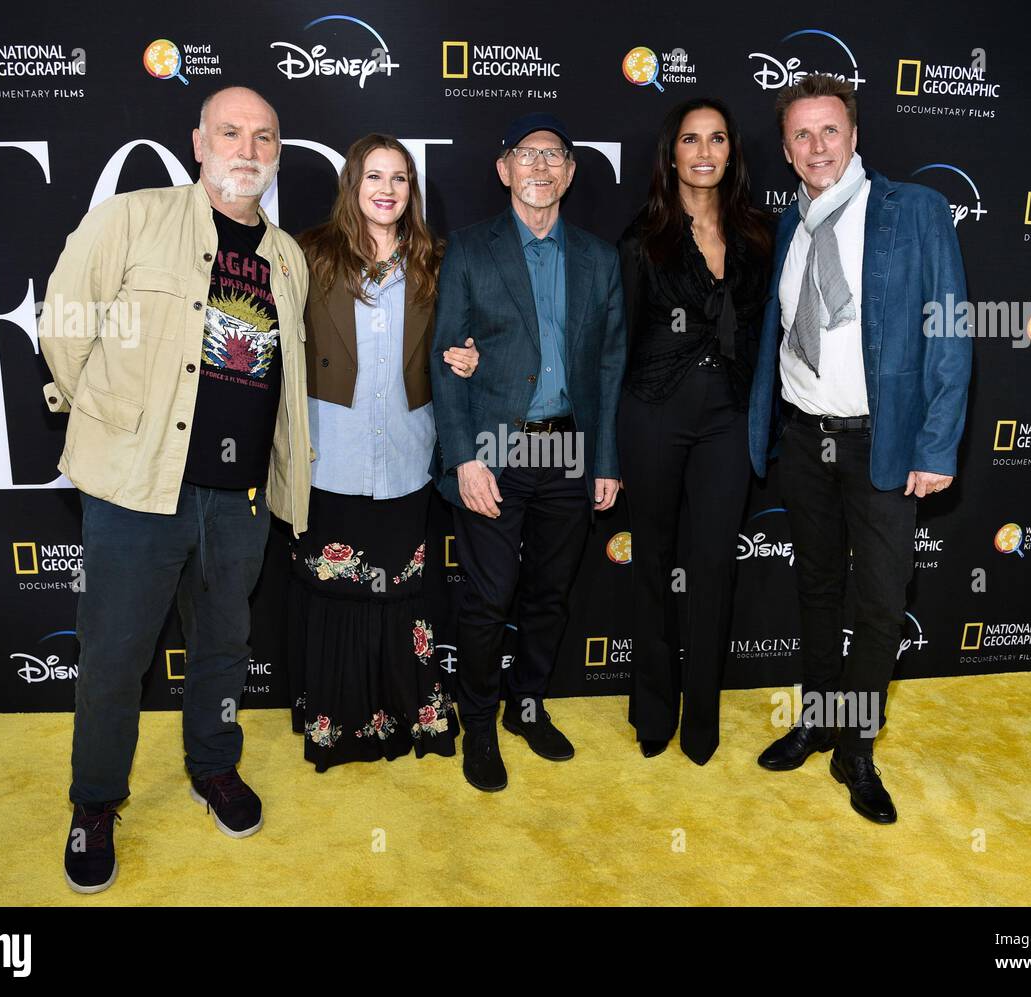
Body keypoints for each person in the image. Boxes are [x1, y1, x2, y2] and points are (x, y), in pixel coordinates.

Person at [39, 86, 310, 893]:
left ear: (277, 153)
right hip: (136, 492)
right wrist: (114, 422)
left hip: (240, 500)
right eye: (231, 132)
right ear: (199, 141)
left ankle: (214, 768)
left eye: (263, 137)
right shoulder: (133, 219)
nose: (247, 148)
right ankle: (95, 802)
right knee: (116, 657)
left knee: (224, 649)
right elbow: (65, 326)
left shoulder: (286, 257)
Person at [748, 75, 971, 823]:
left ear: (853, 136)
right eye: (802, 135)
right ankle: (816, 718)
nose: (817, 147)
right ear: (786, 149)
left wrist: (936, 443)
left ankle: (855, 746)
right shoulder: (790, 224)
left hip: (883, 443)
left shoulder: (914, 212)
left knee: (878, 604)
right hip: (806, 440)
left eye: (829, 131)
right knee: (814, 590)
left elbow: (947, 330)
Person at [430, 112, 627, 792]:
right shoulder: (469, 249)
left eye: (554, 157)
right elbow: (444, 357)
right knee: (487, 600)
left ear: (571, 172)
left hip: (570, 449)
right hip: (494, 444)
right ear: (504, 169)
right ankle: (479, 722)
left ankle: (529, 705)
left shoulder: (600, 259)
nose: (540, 167)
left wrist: (606, 459)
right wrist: (465, 456)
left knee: (549, 594)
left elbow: (610, 366)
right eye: (527, 155)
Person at [289, 134, 480, 770]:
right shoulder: (310, 255)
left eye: (400, 178)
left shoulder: (436, 260)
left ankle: (407, 713)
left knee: (402, 593)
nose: (388, 189)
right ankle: (337, 723)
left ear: (411, 191)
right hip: (331, 457)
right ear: (353, 185)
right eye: (375, 176)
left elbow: (463, 341)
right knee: (336, 593)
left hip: (406, 454)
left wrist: (469, 356)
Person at [618, 97, 772, 765]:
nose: (704, 151)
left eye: (716, 139)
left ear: (731, 152)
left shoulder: (759, 237)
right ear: (670, 153)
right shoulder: (642, 239)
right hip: (653, 411)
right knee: (651, 561)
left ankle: (702, 715)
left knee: (712, 566)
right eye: (690, 139)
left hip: (727, 420)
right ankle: (654, 708)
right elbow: (616, 345)